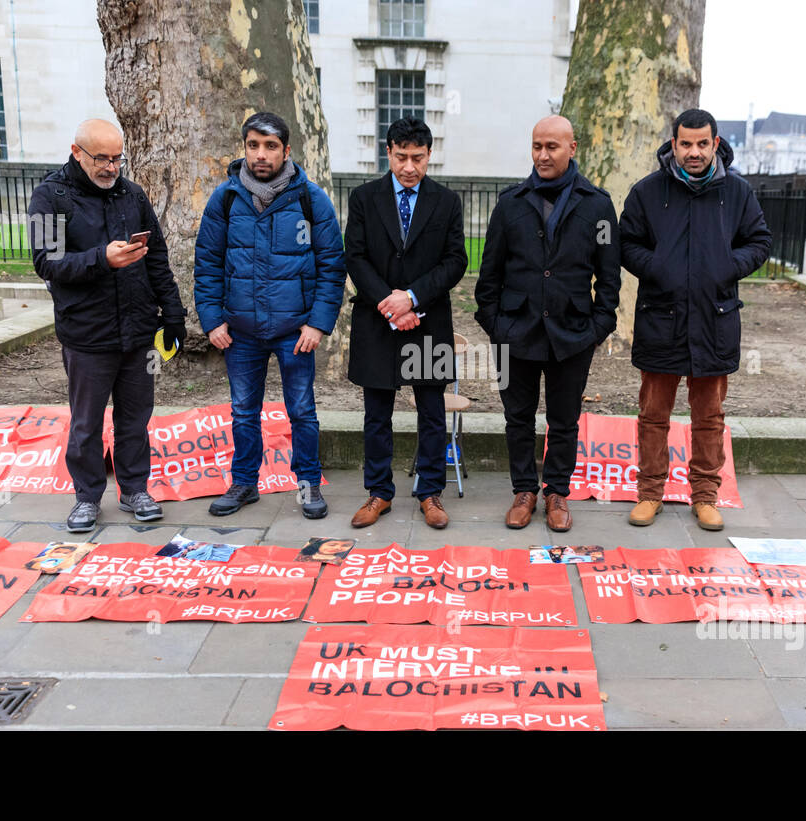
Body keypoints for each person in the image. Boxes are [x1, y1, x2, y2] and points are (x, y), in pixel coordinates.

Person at [27, 118, 186, 534]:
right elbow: (46, 261)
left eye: (117, 158)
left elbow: (157, 258)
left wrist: (173, 315)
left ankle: (135, 489)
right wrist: (102, 258)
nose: (111, 167)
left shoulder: (133, 195)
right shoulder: (49, 196)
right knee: (87, 423)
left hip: (137, 331)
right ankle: (86, 497)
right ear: (77, 152)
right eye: (102, 158)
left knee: (135, 419)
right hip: (86, 335)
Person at [619, 108, 771, 532]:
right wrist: (658, 267)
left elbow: (759, 241)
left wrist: (726, 265)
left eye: (702, 143)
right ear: (673, 144)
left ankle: (705, 495)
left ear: (715, 144)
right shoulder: (648, 192)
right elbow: (627, 242)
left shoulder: (737, 193)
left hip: (714, 319)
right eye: (685, 143)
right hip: (660, 318)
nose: (694, 151)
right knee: (653, 414)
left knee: (709, 416)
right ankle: (650, 492)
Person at [194, 112, 347, 520]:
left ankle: (308, 483)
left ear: (286, 150)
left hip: (295, 330)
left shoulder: (310, 199)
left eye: (270, 146)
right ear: (244, 147)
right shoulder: (225, 199)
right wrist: (212, 319)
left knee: (302, 410)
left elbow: (332, 265)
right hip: (240, 330)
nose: (261, 154)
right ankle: (244, 483)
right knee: (244, 411)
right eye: (253, 145)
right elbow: (207, 264)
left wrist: (317, 322)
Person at [475, 115, 621, 533]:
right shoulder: (510, 203)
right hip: (515, 333)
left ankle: (556, 492)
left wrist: (597, 327)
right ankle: (524, 490)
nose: (542, 155)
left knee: (565, 420)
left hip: (572, 334)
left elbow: (609, 277)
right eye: (537, 146)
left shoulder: (598, 206)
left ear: (572, 148)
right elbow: (489, 277)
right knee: (517, 418)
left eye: (552, 147)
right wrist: (495, 327)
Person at [344, 118, 468, 531]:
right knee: (376, 413)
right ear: (388, 153)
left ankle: (430, 492)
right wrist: (390, 303)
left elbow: (455, 261)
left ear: (429, 155)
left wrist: (412, 298)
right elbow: (356, 257)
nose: (409, 167)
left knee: (431, 411)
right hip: (377, 321)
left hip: (428, 321)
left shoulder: (447, 202)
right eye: (401, 157)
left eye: (417, 158)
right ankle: (378, 492)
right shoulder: (364, 198)